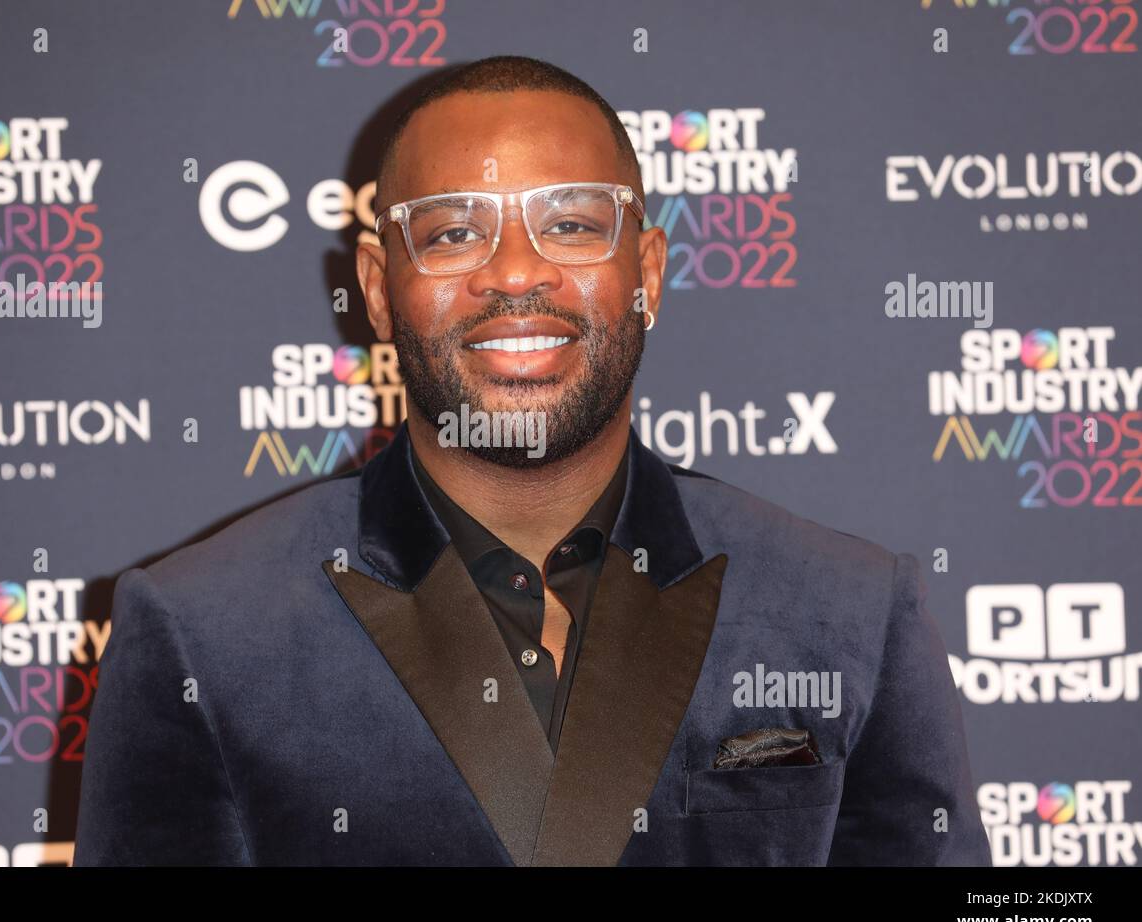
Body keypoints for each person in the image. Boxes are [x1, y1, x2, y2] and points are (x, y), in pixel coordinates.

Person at [73, 55, 992, 866]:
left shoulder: (847, 613)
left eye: (574, 225)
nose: (516, 272)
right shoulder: (205, 630)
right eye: (452, 233)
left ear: (649, 274)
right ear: (379, 291)